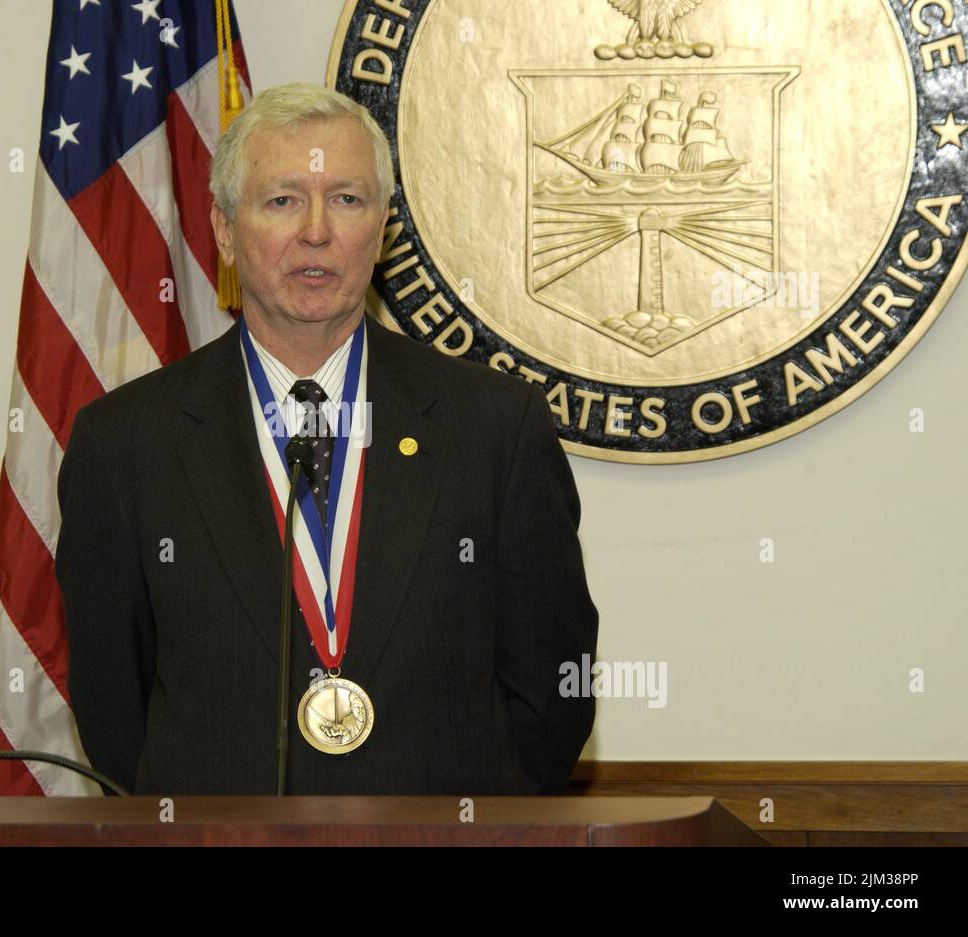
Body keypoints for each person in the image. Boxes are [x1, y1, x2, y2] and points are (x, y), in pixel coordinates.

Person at [54, 82, 598, 796]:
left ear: (383, 228)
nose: (316, 231)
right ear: (223, 229)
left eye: (346, 199)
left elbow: (551, 690)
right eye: (282, 200)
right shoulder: (124, 444)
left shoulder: (495, 427)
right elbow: (115, 711)